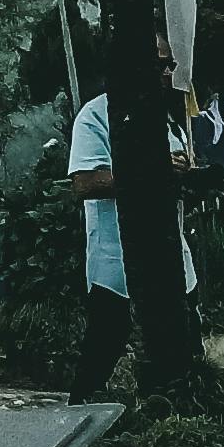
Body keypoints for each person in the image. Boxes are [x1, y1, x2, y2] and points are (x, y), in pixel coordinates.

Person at [63, 30, 198, 399]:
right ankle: (80, 415)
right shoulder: (96, 116)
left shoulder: (166, 119)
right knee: (106, 343)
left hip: (170, 253)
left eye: (167, 65)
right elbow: (86, 182)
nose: (165, 73)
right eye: (157, 65)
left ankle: (176, 405)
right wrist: (151, 170)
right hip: (116, 257)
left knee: (185, 342)